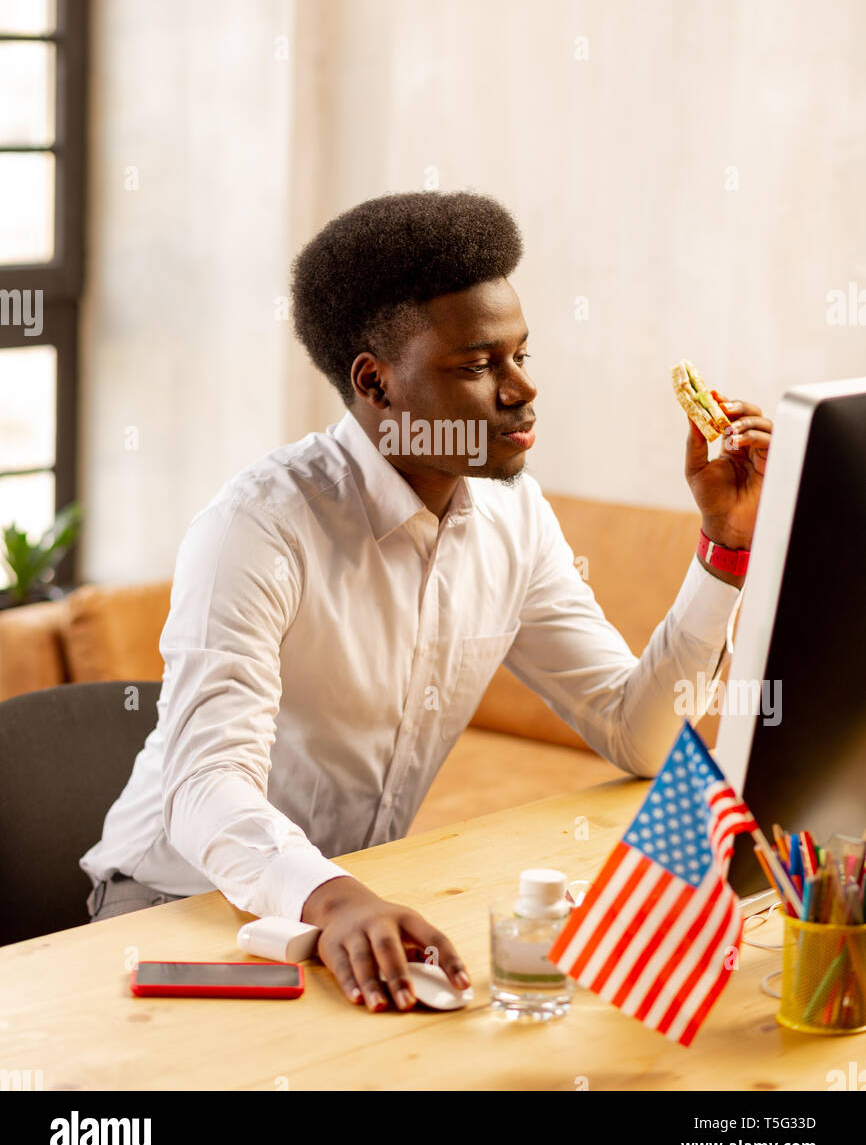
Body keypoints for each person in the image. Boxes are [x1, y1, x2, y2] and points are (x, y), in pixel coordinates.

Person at [81, 190, 773, 1013]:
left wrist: (725, 547)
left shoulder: (513, 514)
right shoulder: (259, 527)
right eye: (477, 366)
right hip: (177, 909)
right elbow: (203, 787)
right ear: (376, 383)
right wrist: (335, 899)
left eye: (521, 356)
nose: (520, 391)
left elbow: (638, 734)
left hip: (359, 910)